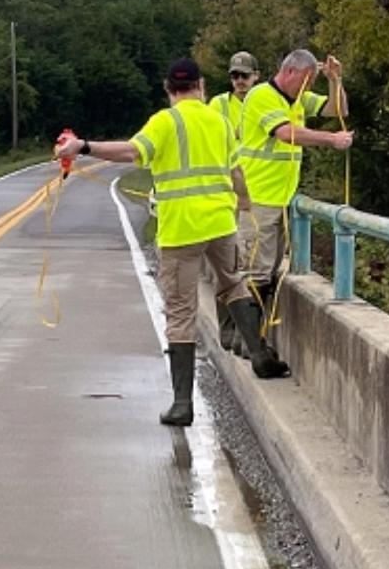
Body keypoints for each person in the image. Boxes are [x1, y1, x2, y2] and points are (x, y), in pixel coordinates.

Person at [56, 57, 290, 428]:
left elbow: (131, 153)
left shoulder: (164, 122)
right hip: (220, 223)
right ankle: (260, 355)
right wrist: (245, 207)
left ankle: (183, 404)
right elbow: (237, 172)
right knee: (235, 285)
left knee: (181, 313)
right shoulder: (220, 120)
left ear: (168, 90)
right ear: (200, 86)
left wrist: (82, 147)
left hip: (181, 230)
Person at [235, 50, 352, 358]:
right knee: (256, 273)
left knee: (271, 271)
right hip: (258, 199)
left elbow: (336, 108)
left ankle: (249, 340)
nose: (307, 86)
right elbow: (286, 134)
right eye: (305, 79)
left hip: (281, 199)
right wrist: (331, 141)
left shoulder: (297, 98)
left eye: (312, 81)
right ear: (289, 72)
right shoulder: (262, 96)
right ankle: (251, 343)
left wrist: (335, 80)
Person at [209, 51, 259, 352]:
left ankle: (244, 333)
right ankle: (228, 328)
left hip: (258, 196)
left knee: (252, 268)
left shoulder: (264, 103)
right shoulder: (219, 105)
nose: (239, 81)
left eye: (245, 75)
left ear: (256, 75)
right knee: (229, 267)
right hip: (229, 197)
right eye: (234, 76)